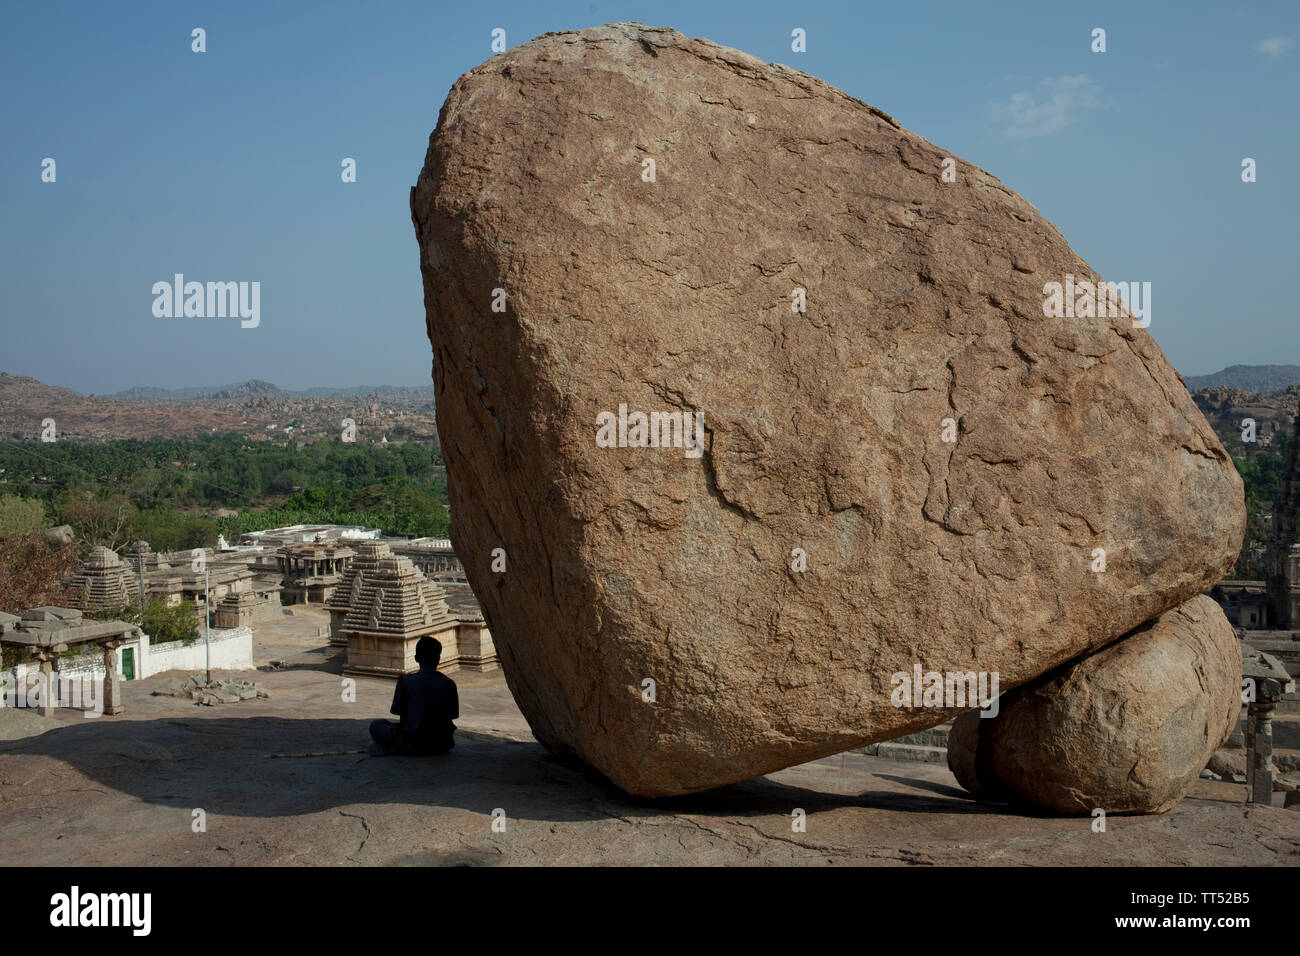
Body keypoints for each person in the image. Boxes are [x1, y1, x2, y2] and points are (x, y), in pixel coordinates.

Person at [368, 636, 459, 756]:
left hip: (413, 745)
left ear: (416, 658)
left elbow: (401, 714)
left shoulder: (405, 681)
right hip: (442, 744)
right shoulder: (449, 683)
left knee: (376, 725)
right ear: (438, 659)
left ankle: (395, 747)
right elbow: (453, 715)